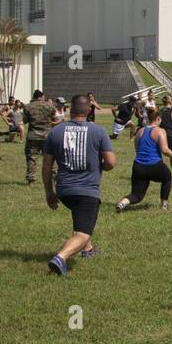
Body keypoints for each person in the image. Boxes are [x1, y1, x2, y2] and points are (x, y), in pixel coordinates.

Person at [43, 95, 116, 276]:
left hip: (64, 190)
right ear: (89, 110)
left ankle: (88, 250)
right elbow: (111, 163)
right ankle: (60, 258)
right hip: (87, 191)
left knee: (81, 219)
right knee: (82, 234)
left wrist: (49, 192)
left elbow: (46, 167)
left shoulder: (55, 132)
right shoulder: (99, 132)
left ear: (70, 109)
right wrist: (102, 165)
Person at [115, 105, 172, 213]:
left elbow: (137, 150)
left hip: (138, 167)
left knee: (137, 195)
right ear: (158, 118)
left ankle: (123, 202)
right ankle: (164, 205)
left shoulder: (140, 131)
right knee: (167, 177)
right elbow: (165, 150)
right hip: (155, 166)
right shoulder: (160, 131)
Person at [23, 90, 58, 184]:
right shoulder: (50, 105)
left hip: (33, 136)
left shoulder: (28, 106)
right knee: (52, 158)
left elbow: (25, 121)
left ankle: (31, 180)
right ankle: (56, 178)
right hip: (47, 135)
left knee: (32, 158)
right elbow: (55, 119)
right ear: (42, 96)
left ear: (34, 97)